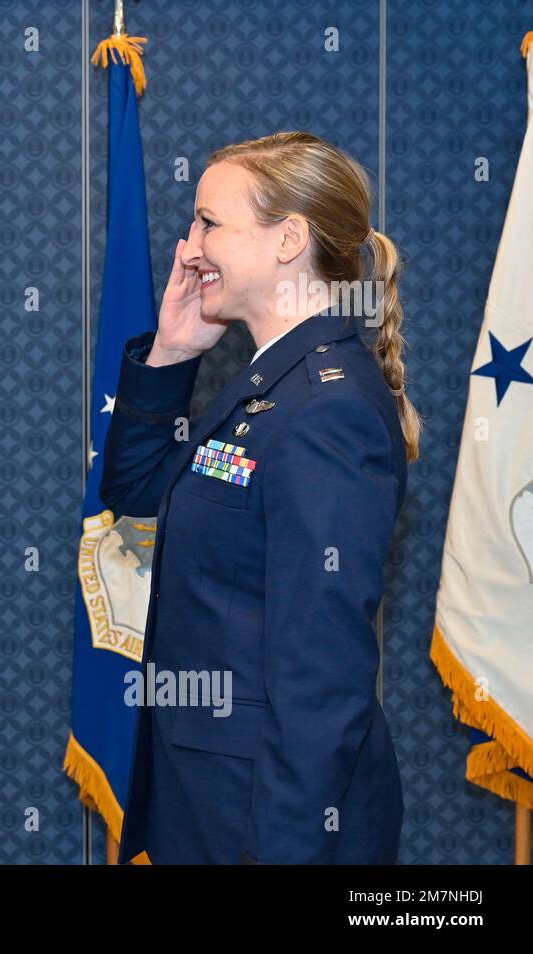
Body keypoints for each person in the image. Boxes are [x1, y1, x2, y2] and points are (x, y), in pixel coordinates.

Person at [104, 131, 422, 864]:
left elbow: (320, 689)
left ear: (288, 240)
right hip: (209, 803)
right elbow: (136, 496)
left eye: (209, 223)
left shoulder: (326, 411)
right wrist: (173, 355)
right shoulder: (269, 383)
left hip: (265, 825)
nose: (189, 248)